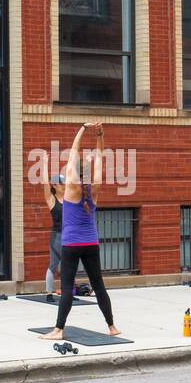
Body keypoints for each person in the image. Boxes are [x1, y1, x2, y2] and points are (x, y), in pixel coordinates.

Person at [39, 122, 120, 340]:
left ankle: (58, 330)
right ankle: (112, 326)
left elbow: (74, 152)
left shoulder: (70, 188)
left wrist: (83, 129)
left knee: (66, 287)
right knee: (99, 285)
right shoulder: (94, 188)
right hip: (91, 243)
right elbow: (100, 156)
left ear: (73, 172)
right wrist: (100, 134)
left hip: (71, 244)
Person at [43, 173, 65, 300]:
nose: (65, 186)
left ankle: (68, 292)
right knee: (53, 265)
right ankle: (49, 293)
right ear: (55, 185)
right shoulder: (52, 200)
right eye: (62, 184)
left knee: (68, 266)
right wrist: (45, 164)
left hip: (69, 236)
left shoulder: (69, 199)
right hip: (57, 236)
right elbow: (45, 184)